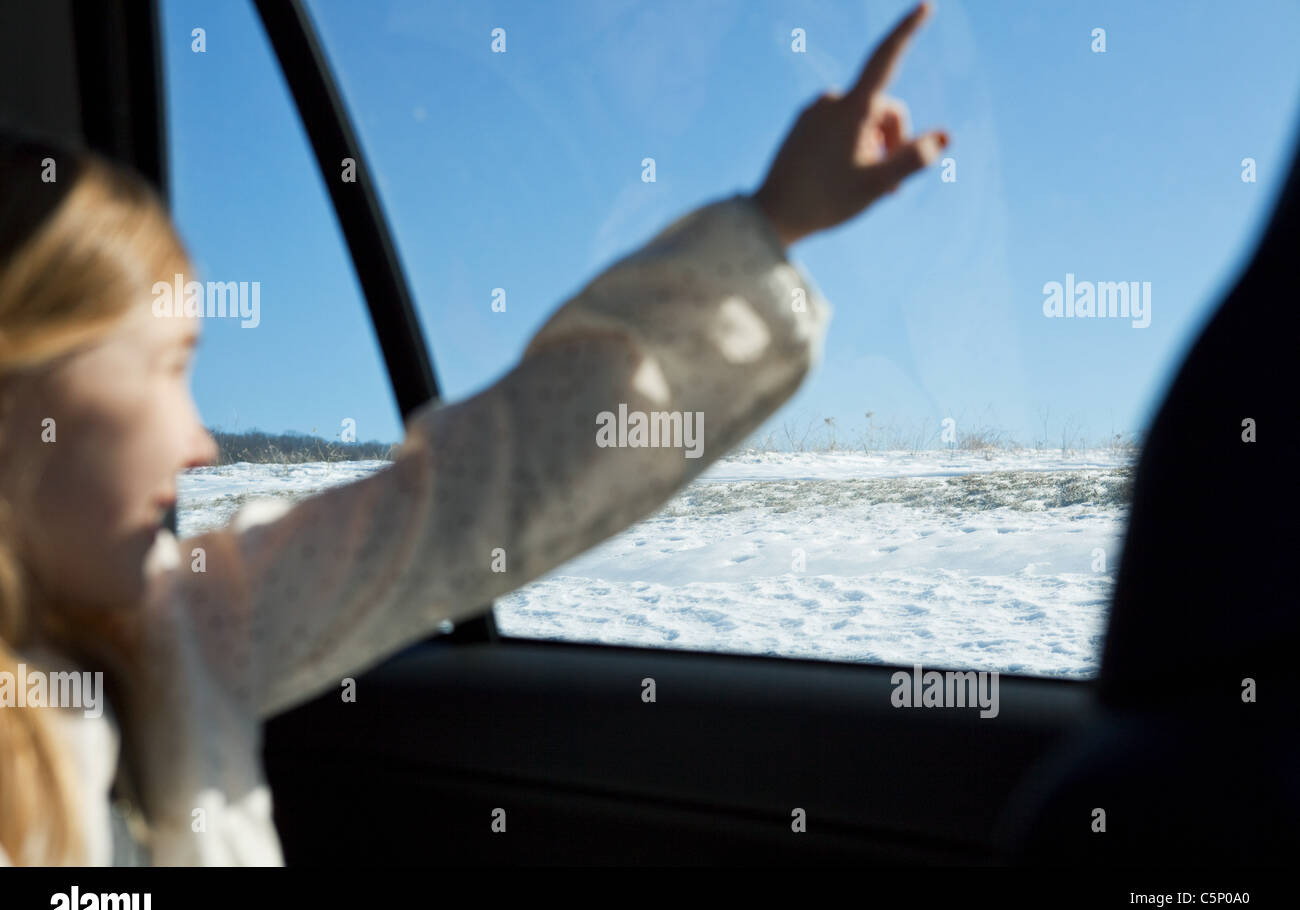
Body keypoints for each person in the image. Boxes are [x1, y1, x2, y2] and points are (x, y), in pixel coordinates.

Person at [0, 2, 947, 865]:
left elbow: (472, 495)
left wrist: (776, 218)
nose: (201, 441)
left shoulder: (184, 630)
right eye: (167, 368)